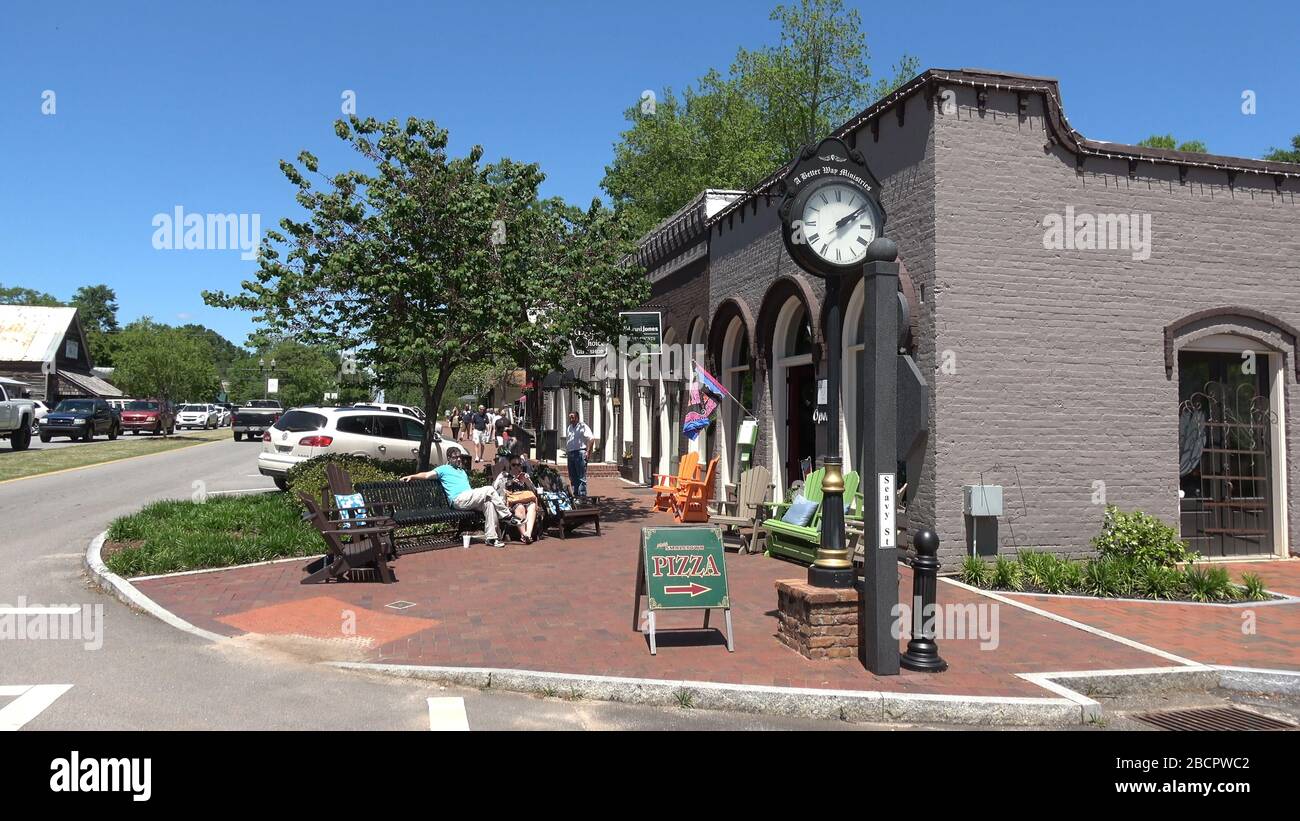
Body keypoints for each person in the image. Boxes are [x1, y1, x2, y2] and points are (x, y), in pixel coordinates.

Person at [401, 452, 520, 549]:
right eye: (455, 457)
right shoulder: (443, 469)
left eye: (459, 457)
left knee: (488, 502)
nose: (458, 459)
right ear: (448, 458)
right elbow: (427, 475)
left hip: (467, 498)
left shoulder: (462, 471)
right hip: (458, 500)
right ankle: (507, 515)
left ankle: (491, 538)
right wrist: (412, 476)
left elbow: (468, 490)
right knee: (489, 489)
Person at [493, 456, 540, 544]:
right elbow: (495, 488)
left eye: (519, 465)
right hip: (512, 503)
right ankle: (523, 535)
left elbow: (534, 492)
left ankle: (527, 534)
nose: (516, 467)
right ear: (510, 466)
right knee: (520, 507)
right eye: (514, 465)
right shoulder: (504, 475)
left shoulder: (524, 475)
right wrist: (509, 482)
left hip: (526, 500)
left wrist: (527, 482)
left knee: (533, 505)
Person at [564, 411, 595, 499]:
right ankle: (576, 495)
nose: (571, 419)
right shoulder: (569, 427)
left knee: (581, 476)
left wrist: (588, 451)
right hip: (571, 454)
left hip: (580, 453)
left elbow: (591, 439)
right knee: (572, 476)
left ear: (577, 418)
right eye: (569, 417)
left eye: (572, 417)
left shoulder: (583, 426)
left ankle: (582, 497)